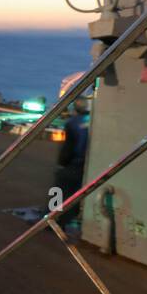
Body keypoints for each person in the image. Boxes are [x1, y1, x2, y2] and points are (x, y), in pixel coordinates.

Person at [54, 98, 91, 229]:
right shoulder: (92, 121)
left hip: (73, 162)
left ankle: (53, 218)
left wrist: (61, 163)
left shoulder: (72, 122)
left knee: (57, 188)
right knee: (76, 192)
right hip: (87, 164)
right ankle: (71, 217)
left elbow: (68, 147)